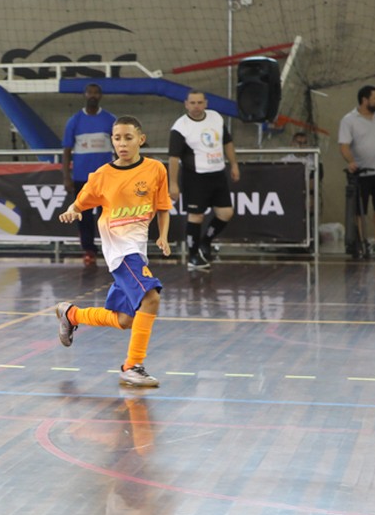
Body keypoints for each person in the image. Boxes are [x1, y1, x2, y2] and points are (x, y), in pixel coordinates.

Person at [56, 116, 172, 388]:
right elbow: (79, 203)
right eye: (117, 138)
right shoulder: (102, 175)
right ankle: (133, 366)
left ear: (140, 139)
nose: (122, 143)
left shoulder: (156, 169)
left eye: (128, 138)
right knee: (151, 299)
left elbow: (163, 206)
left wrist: (163, 236)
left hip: (138, 249)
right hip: (120, 251)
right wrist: (71, 212)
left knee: (125, 320)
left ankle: (71, 314)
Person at [167, 89, 240, 270]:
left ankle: (205, 242)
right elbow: (173, 158)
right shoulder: (180, 127)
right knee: (196, 215)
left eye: (200, 103)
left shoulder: (216, 118)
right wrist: (173, 183)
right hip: (195, 177)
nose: (196, 106)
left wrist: (234, 164)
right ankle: (193, 257)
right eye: (192, 103)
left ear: (206, 104)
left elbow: (227, 142)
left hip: (218, 174)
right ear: (186, 104)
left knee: (226, 213)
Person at [62, 83, 117, 267]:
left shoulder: (110, 119)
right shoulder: (74, 120)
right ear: (85, 95)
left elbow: (121, 147)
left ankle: (110, 251)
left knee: (107, 215)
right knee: (83, 216)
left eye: (96, 92)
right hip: (81, 177)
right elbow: (66, 151)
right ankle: (89, 251)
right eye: (90, 92)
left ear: (100, 95)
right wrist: (66, 177)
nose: (93, 95)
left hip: (106, 177)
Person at [339, 85, 375, 250]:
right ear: (365, 100)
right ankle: (362, 240)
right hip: (362, 173)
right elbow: (344, 146)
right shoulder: (349, 120)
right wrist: (350, 161)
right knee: (360, 210)